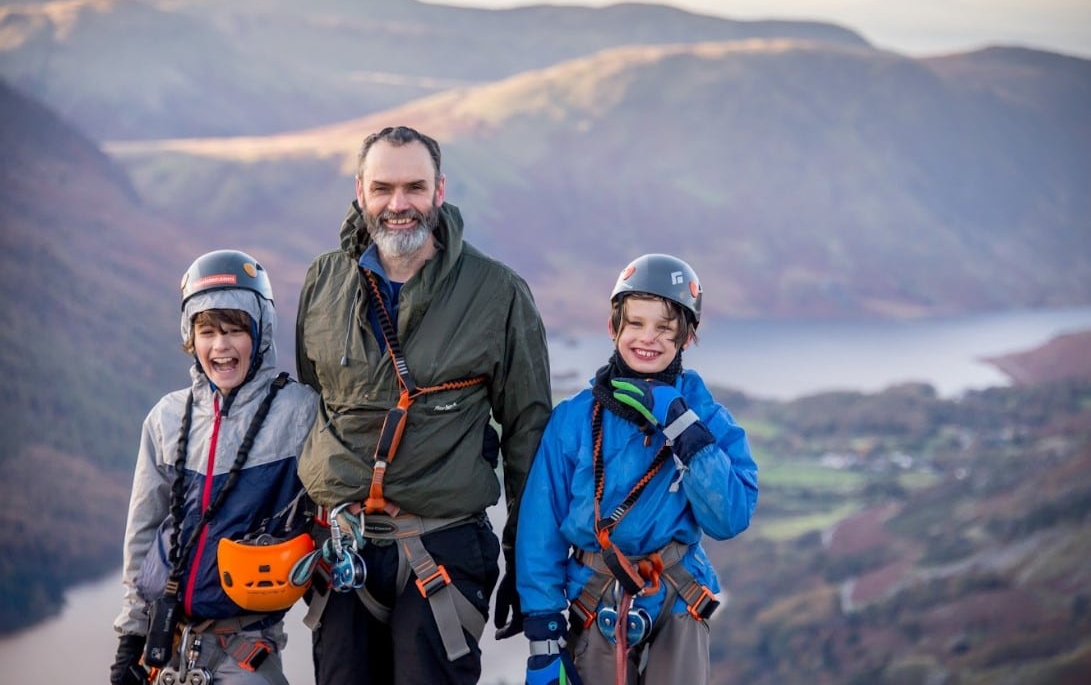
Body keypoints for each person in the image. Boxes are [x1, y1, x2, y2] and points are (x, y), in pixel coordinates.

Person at [294, 125, 553, 684]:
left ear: (440, 190)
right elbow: (315, 398)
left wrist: (528, 566)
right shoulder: (323, 282)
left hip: (444, 545)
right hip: (343, 550)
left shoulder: (497, 292)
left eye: (414, 187)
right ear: (360, 191)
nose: (398, 204)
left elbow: (528, 433)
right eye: (383, 188)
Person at [516, 253, 759, 685]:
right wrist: (543, 632)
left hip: (677, 599)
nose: (648, 338)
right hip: (595, 600)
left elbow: (730, 517)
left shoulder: (706, 420)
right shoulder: (575, 420)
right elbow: (541, 527)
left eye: (665, 327)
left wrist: (683, 429)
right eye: (635, 323)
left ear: (687, 337)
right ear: (613, 328)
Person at [110, 249, 319, 685]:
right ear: (190, 337)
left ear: (260, 333)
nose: (220, 345)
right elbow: (143, 532)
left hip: (247, 647)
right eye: (206, 331)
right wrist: (131, 635)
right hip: (166, 646)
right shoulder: (167, 418)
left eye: (235, 330)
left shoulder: (299, 413)